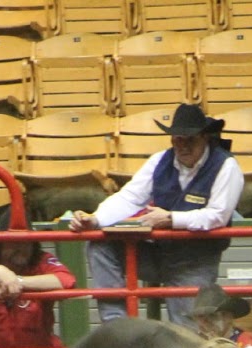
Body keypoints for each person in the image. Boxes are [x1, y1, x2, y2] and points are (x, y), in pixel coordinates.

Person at [67, 102, 242, 329]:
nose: (183, 146)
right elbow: (129, 197)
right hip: (159, 253)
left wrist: (172, 219)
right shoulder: (160, 160)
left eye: (190, 139)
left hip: (196, 261)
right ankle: (118, 328)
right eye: (178, 139)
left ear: (205, 138)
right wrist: (96, 219)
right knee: (100, 246)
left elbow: (218, 215)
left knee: (187, 330)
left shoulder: (226, 166)